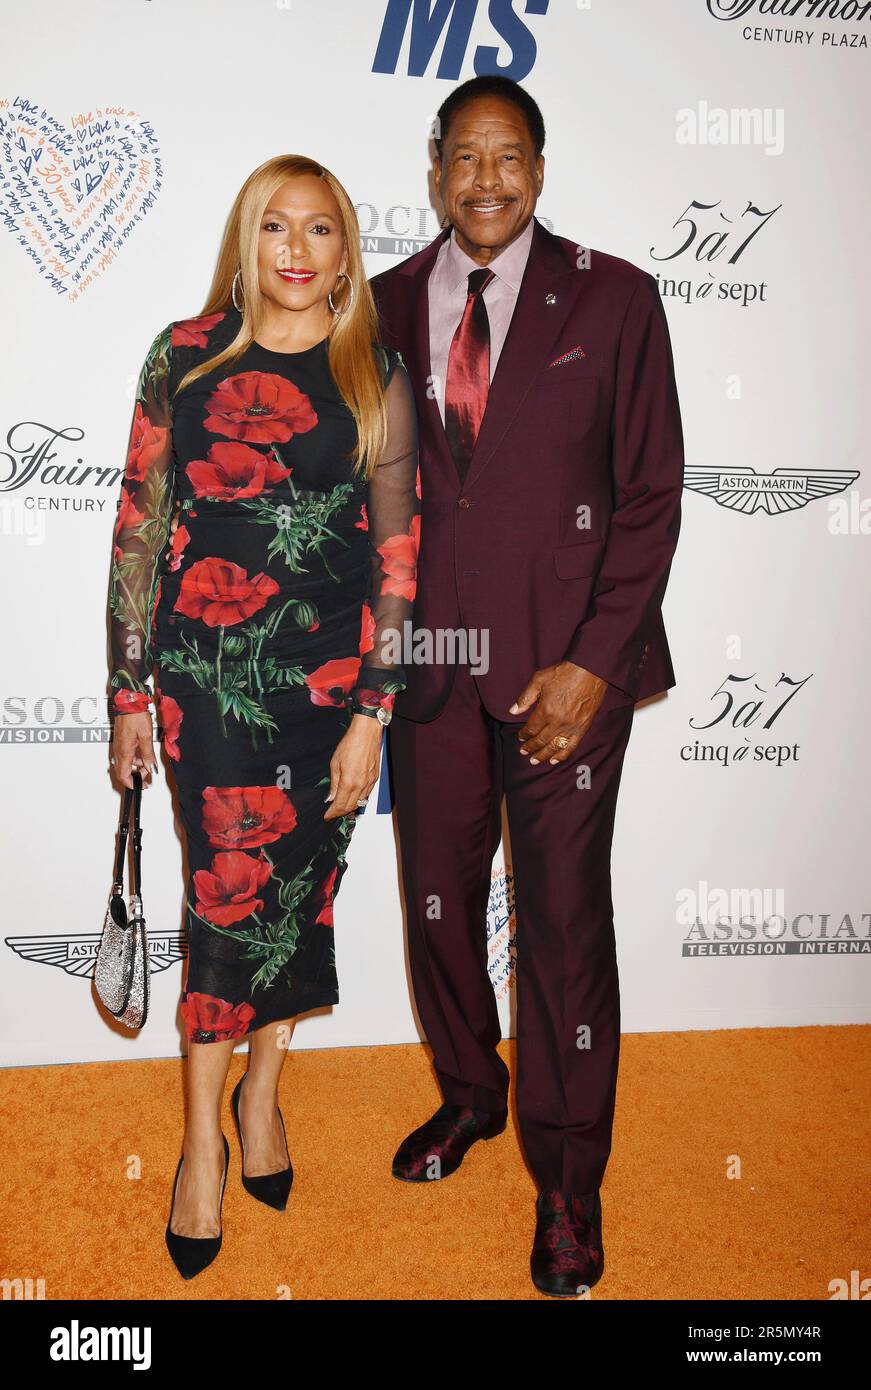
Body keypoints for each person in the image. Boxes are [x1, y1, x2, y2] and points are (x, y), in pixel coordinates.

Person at [370, 75, 684, 1297]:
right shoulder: (386, 304)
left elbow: (649, 495)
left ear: (539, 171)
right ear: (435, 169)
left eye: (509, 157)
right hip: (430, 674)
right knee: (437, 908)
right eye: (464, 158)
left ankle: (568, 1183)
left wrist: (594, 666)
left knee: (561, 932)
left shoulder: (615, 298)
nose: (485, 179)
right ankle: (469, 1097)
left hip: (569, 678)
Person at [107, 154, 419, 1280]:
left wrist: (374, 714)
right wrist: (127, 689)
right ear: (247, 244)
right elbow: (142, 527)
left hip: (330, 693)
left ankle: (265, 1090)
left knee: (300, 894)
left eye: (321, 229)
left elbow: (396, 559)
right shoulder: (182, 357)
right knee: (220, 903)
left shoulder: (375, 374)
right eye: (274, 228)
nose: (296, 249)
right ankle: (199, 1143)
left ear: (346, 250)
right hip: (207, 683)